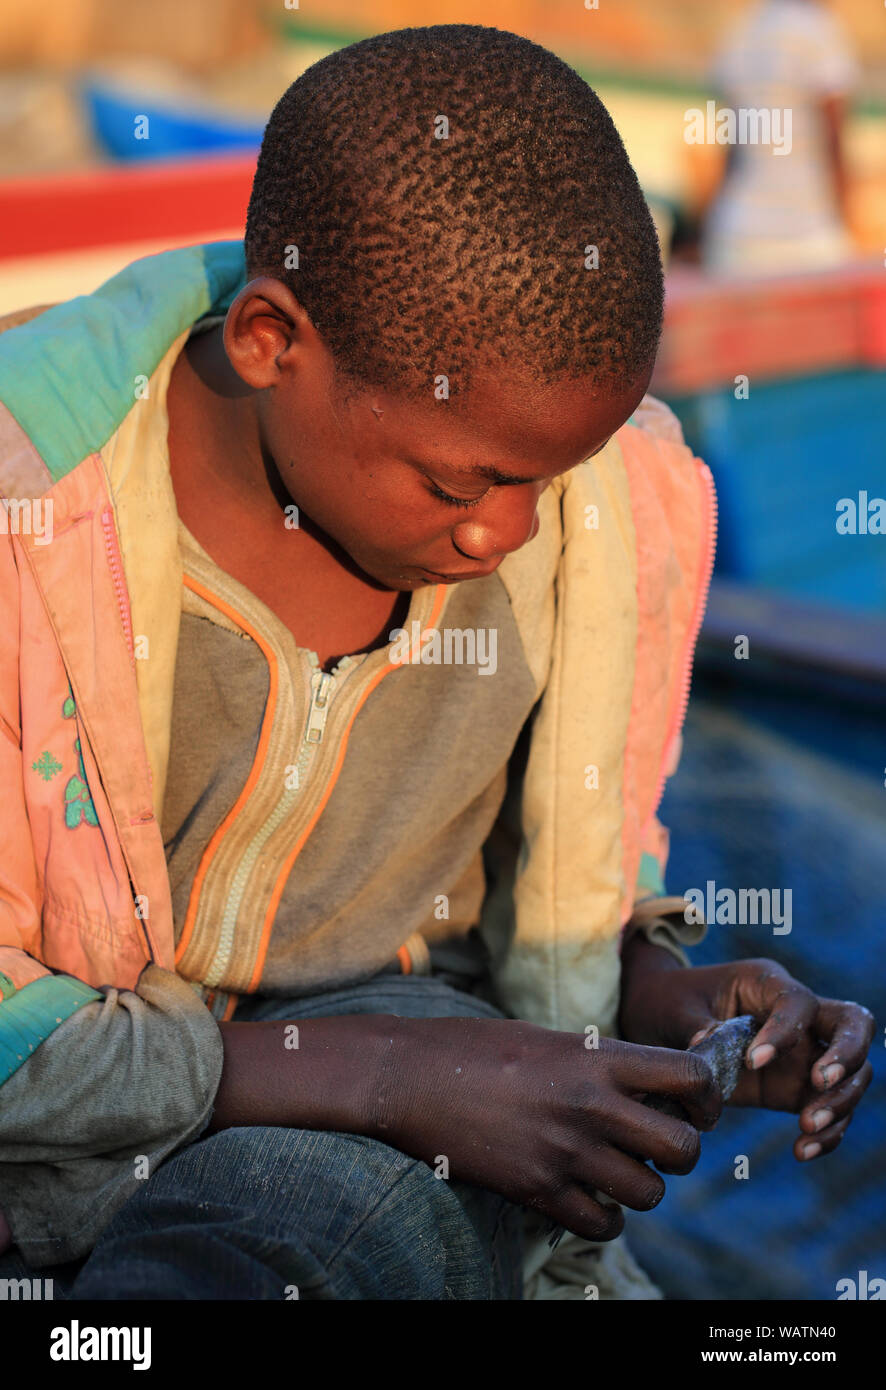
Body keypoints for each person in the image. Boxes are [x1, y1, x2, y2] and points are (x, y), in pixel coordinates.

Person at [0, 25, 873, 1301]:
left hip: (390, 1150)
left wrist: (660, 1001)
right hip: (69, 1156)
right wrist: (383, 1078)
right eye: (463, 480)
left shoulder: (592, 527)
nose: (506, 534)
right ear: (268, 340)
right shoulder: (32, 515)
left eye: (550, 477)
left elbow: (524, 912)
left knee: (293, 1232)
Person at [702, 0, 859, 273]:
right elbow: (833, 138)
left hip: (735, 236)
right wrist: (848, 220)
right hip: (806, 236)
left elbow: (732, 148)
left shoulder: (743, 30)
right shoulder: (820, 31)